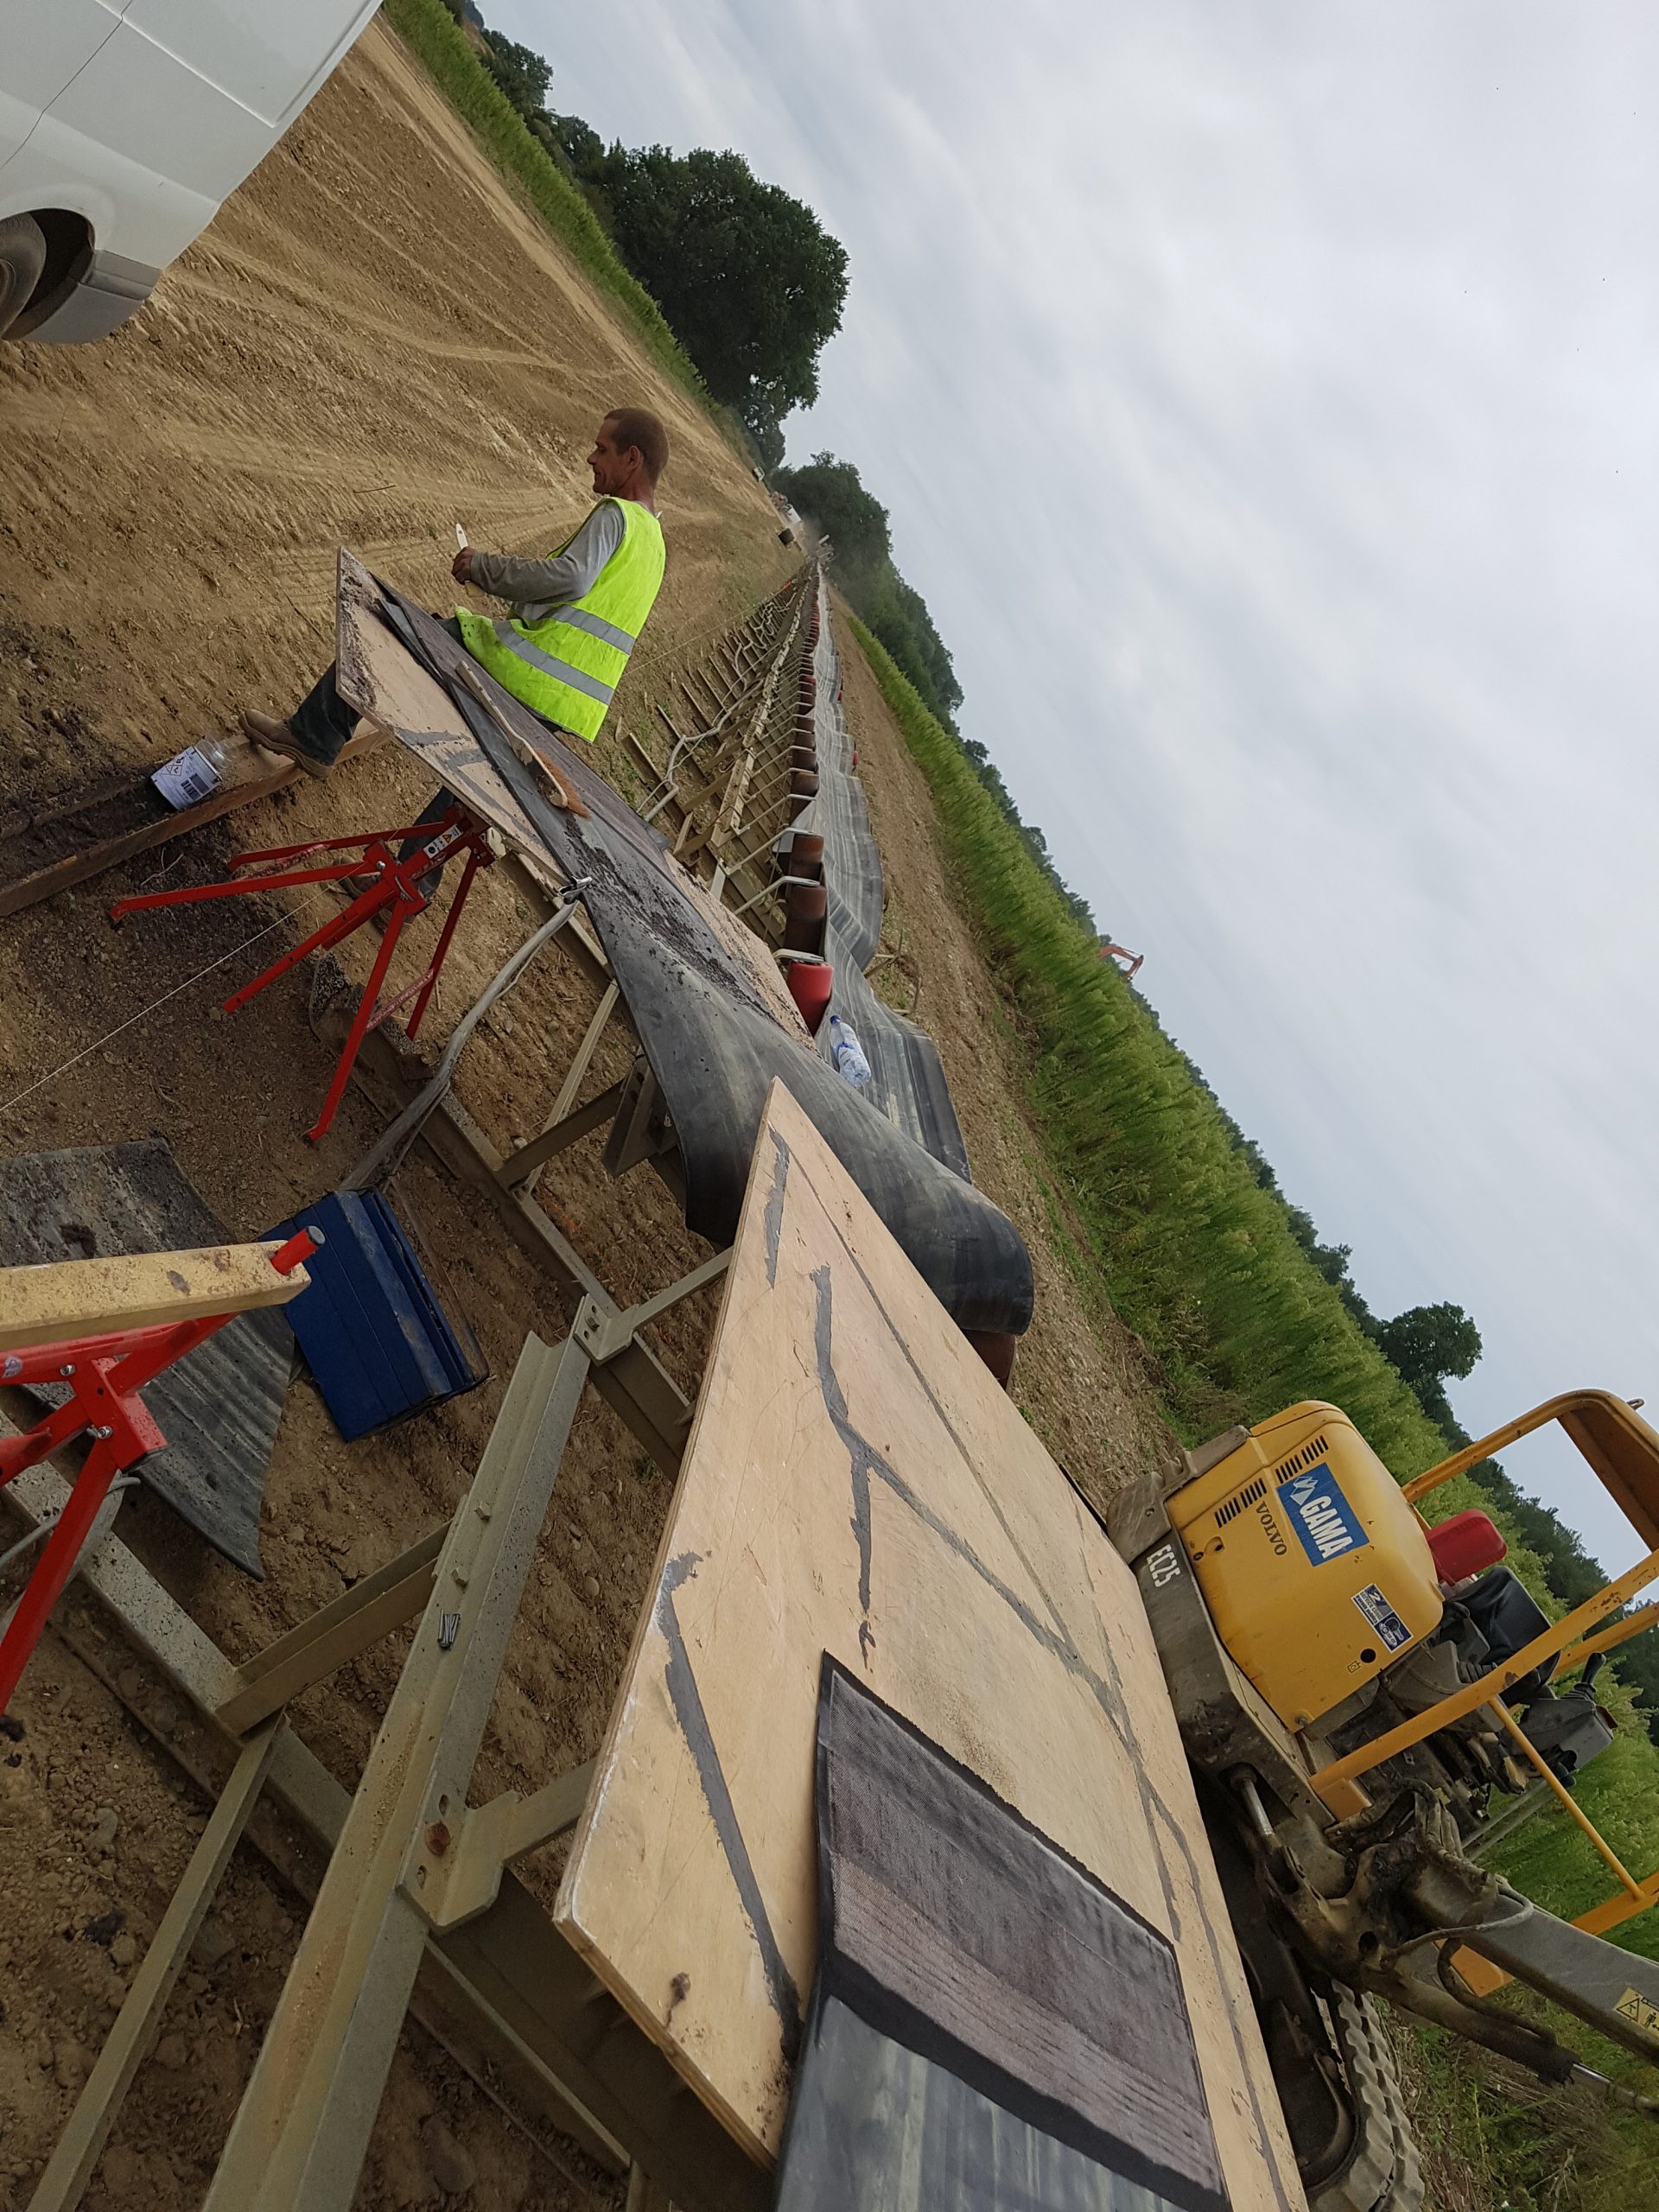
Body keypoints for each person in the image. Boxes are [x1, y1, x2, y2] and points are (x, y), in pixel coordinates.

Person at [244, 406, 669, 776]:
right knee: (484, 786)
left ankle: (313, 737)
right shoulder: (656, 546)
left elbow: (570, 579)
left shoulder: (618, 516)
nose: (590, 458)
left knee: (390, 630)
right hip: (567, 709)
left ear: (632, 459)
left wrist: (483, 568)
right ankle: (420, 872)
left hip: (522, 673)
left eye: (602, 449)